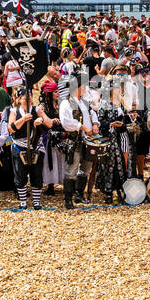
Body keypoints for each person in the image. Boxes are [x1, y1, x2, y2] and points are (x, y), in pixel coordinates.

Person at [58, 76, 98, 208]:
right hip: (74, 140)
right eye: (83, 86)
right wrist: (82, 127)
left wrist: (95, 123)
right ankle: (68, 199)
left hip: (87, 140)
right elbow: (66, 122)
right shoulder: (66, 103)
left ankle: (79, 195)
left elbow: (92, 113)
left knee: (85, 168)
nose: (85, 88)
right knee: (72, 170)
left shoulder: (83, 101)